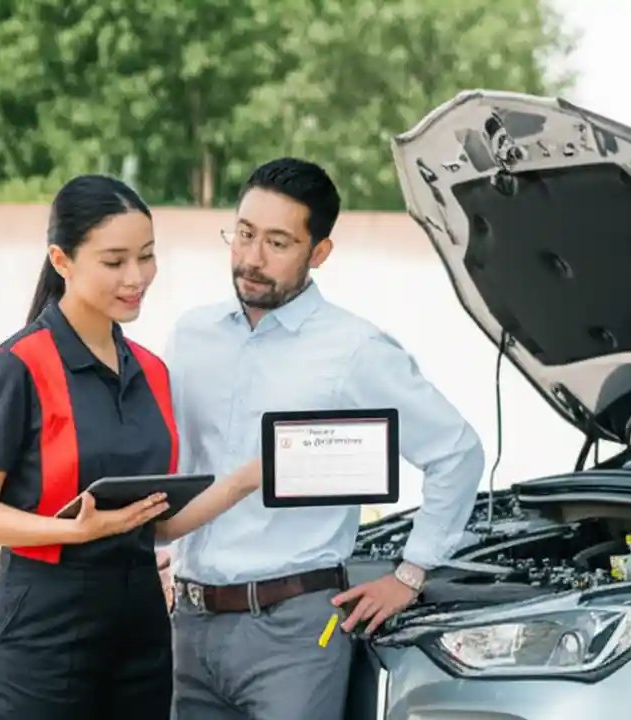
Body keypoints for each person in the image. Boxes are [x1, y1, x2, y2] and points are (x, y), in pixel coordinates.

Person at [165, 157, 485, 719]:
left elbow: (456, 452)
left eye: (278, 243)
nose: (252, 258)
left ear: (319, 254)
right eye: (244, 234)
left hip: (295, 632)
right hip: (188, 629)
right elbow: (176, 462)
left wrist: (410, 574)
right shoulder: (191, 336)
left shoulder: (353, 350)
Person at [0, 174, 263, 720]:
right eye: (114, 261)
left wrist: (245, 479)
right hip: (44, 625)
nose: (137, 277)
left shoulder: (153, 371)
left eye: (146, 257)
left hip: (140, 622)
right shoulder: (17, 368)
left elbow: (156, 523)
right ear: (62, 260)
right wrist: (73, 531)